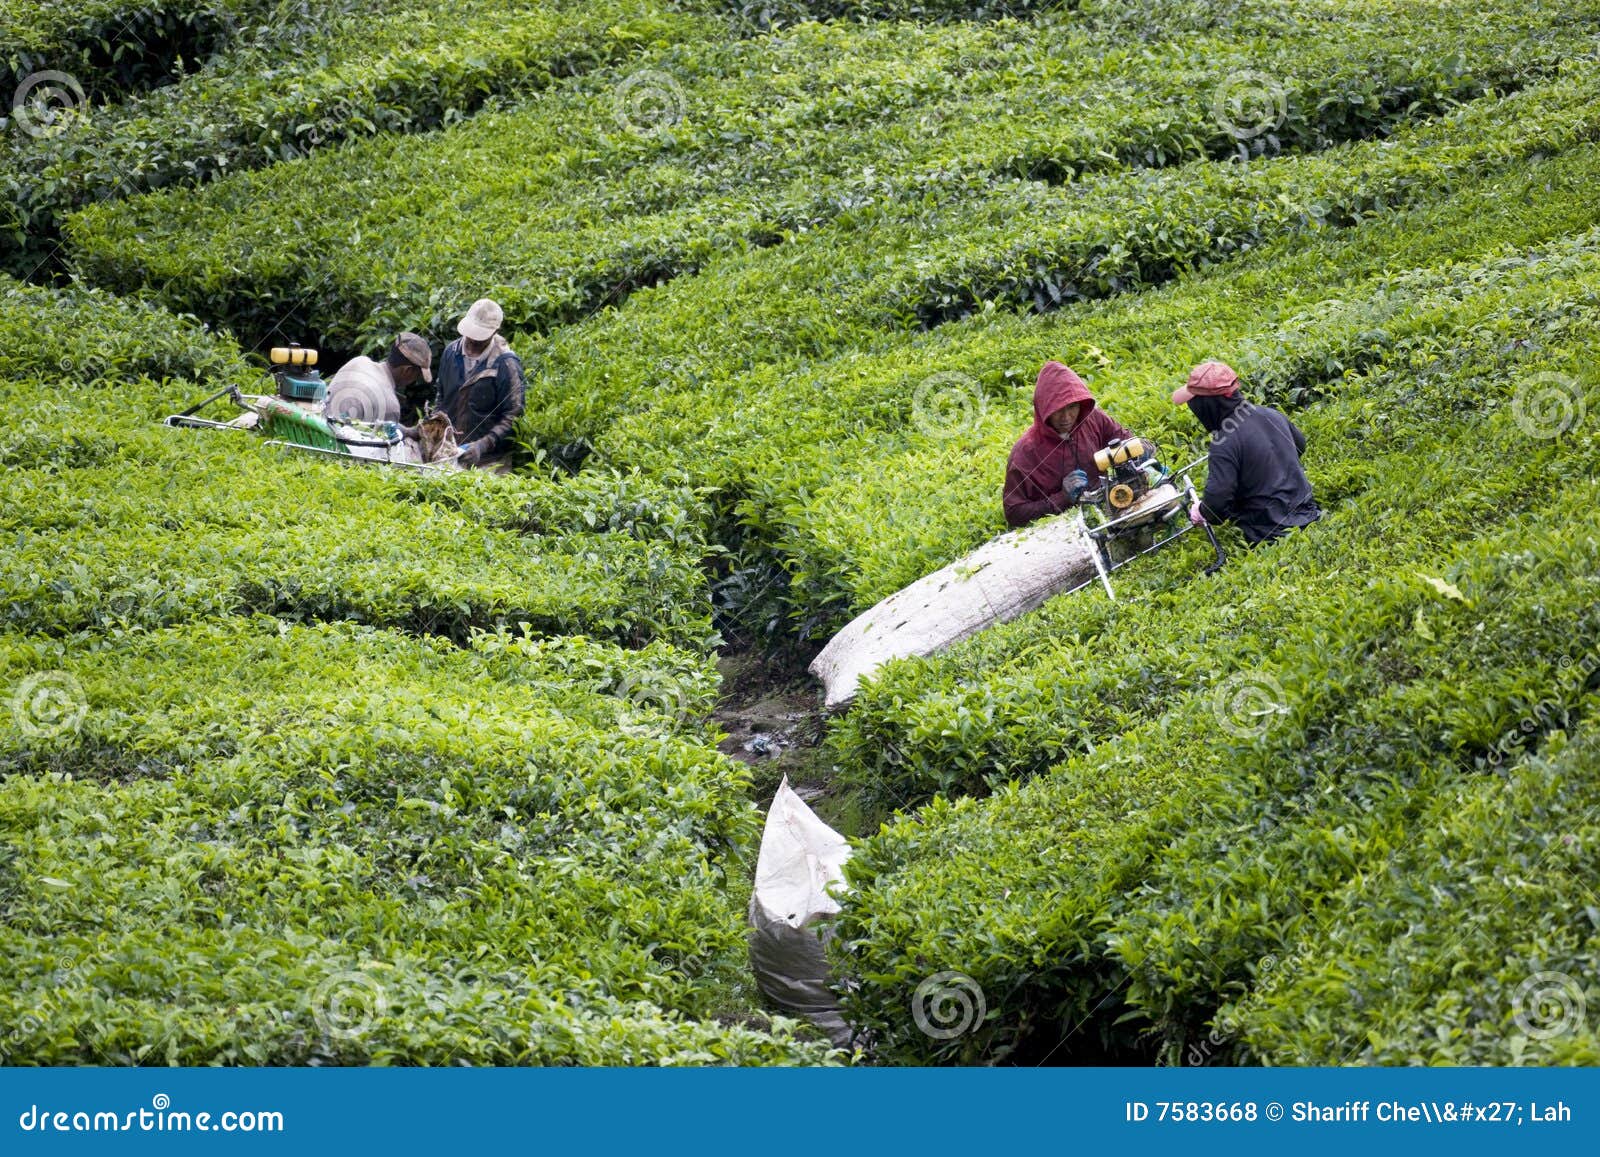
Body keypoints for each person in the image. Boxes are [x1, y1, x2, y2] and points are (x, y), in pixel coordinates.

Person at [1173, 360, 1320, 545]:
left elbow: (1216, 507)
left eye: (1194, 402)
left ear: (1208, 405)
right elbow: (1300, 446)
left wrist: (1201, 511)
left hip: (1271, 532)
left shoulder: (1223, 443)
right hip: (1309, 513)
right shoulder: (1271, 414)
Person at [1003, 360, 1135, 528]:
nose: (1066, 417)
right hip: (1061, 527)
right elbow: (1013, 513)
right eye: (1058, 411)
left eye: (1072, 407)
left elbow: (1125, 440)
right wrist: (1061, 498)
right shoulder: (1025, 453)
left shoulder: (1092, 419)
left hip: (1109, 505)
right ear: (1043, 409)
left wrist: (1140, 450)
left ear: (1081, 403)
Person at [433, 297, 526, 470]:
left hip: (491, 462)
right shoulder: (451, 352)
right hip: (450, 455)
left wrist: (483, 445)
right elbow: (441, 396)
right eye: (471, 335)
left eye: (480, 337)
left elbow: (514, 415)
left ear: (494, 331)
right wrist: (434, 425)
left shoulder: (506, 364)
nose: (473, 342)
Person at [325, 333, 433, 424]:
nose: (415, 380)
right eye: (417, 375)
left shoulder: (358, 361)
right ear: (408, 371)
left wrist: (407, 432)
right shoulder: (391, 406)